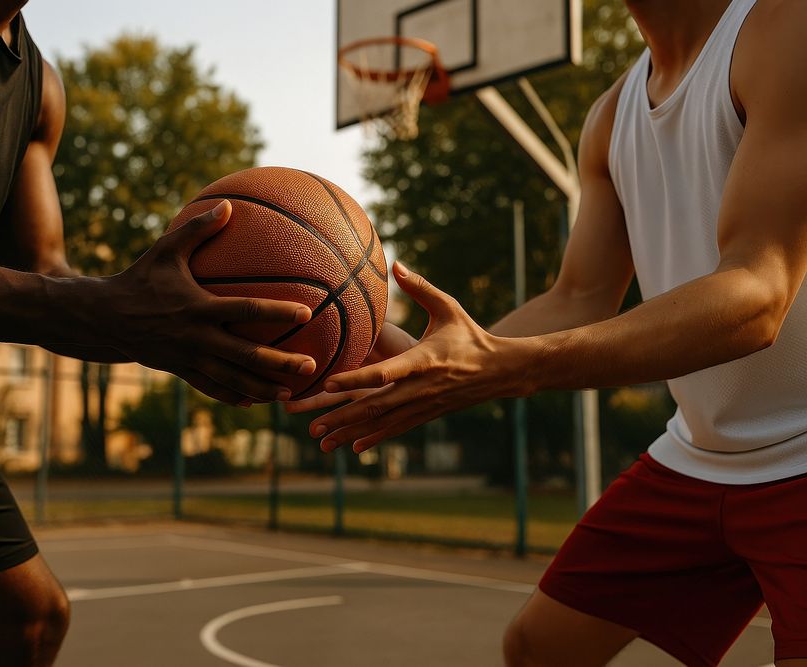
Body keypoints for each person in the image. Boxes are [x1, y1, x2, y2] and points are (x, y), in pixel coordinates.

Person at [288, 0, 807, 664]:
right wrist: (429, 360)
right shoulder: (612, 117)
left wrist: (510, 365)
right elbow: (579, 295)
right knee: (539, 647)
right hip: (702, 454)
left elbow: (759, 291)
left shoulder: (780, 28)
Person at [0, 1, 317, 665]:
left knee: (30, 619)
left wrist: (178, 328)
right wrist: (115, 312)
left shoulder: (40, 88)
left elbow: (43, 269)